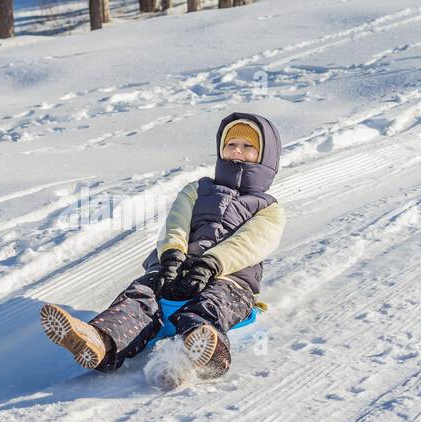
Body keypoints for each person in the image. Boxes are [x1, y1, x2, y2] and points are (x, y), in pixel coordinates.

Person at [40, 112, 286, 381]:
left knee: (212, 304)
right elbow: (176, 225)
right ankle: (100, 341)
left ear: (265, 156)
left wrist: (211, 264)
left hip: (228, 278)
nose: (237, 150)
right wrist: (171, 258)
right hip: (175, 269)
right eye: (231, 144)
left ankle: (206, 348)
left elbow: (250, 243)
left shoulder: (268, 209)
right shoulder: (197, 190)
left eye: (248, 146)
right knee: (140, 296)